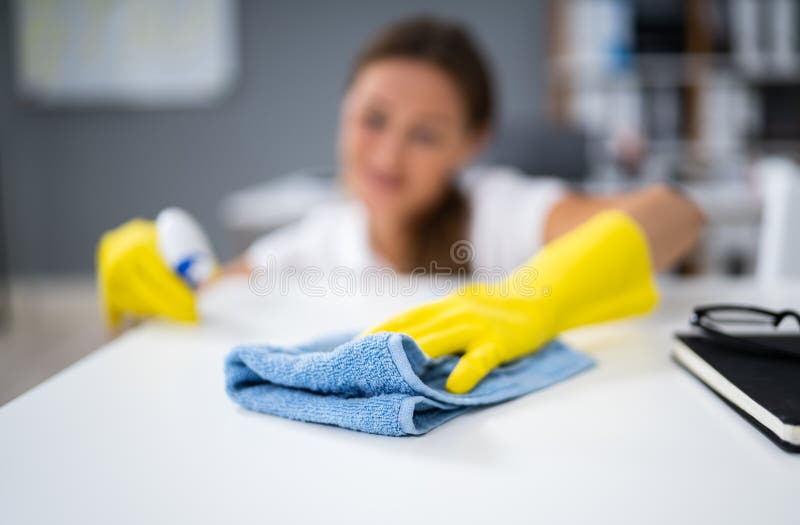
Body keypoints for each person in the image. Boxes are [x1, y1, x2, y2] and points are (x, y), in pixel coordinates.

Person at [97, 15, 705, 392]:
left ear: (471, 142)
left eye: (425, 134)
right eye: (374, 120)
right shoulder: (318, 238)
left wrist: (535, 297)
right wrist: (157, 275)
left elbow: (676, 213)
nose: (388, 156)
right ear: (343, 113)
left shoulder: (499, 212)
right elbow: (212, 290)